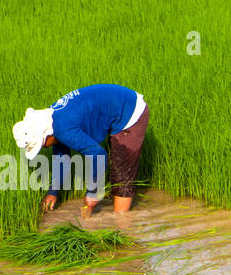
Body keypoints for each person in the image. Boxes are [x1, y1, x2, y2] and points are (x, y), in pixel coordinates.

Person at [12, 84, 149, 217]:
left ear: (46, 134)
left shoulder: (62, 128)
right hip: (117, 103)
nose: (45, 147)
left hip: (130, 111)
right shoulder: (50, 122)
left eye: (42, 144)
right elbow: (61, 159)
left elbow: (99, 155)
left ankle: (120, 226)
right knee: (112, 169)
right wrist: (52, 193)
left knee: (121, 174)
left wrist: (93, 192)